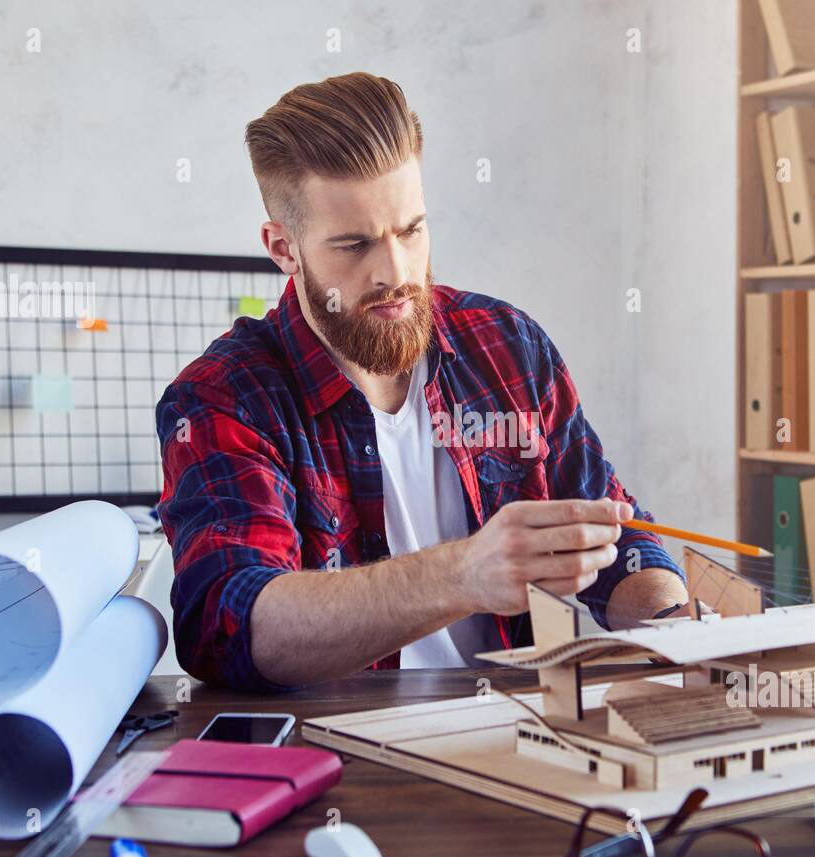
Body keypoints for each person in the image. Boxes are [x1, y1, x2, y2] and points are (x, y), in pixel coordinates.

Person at [156, 72, 686, 692]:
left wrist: (673, 624)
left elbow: (615, 541)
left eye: (410, 229)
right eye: (353, 245)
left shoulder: (507, 346)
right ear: (284, 248)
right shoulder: (225, 398)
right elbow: (233, 627)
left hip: (518, 741)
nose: (396, 272)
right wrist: (462, 574)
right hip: (338, 761)